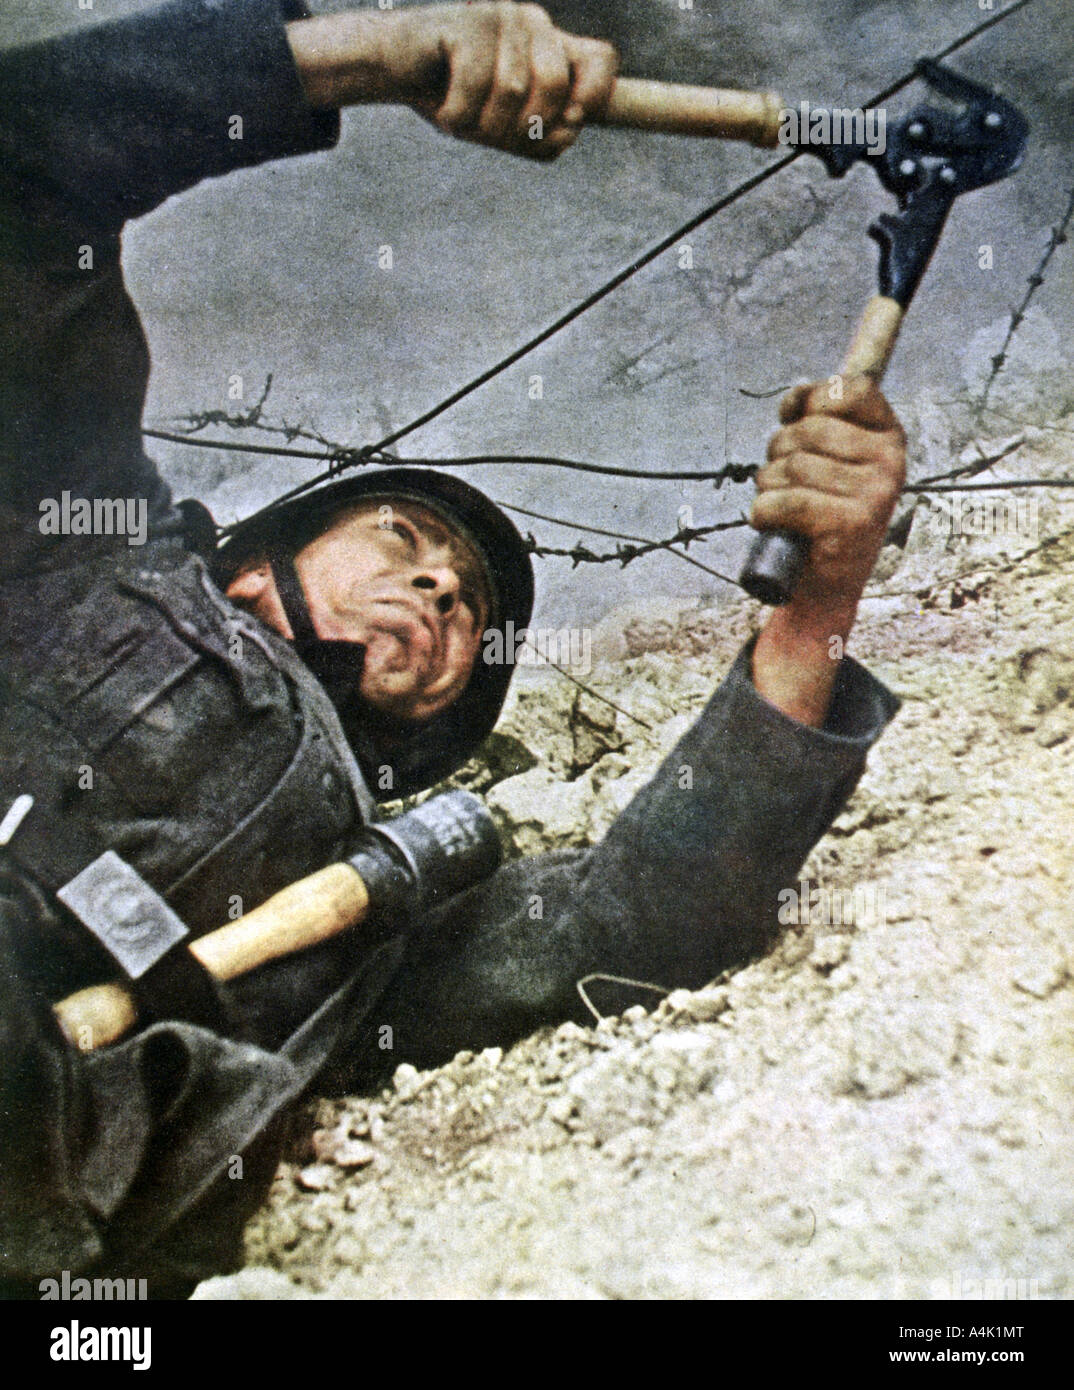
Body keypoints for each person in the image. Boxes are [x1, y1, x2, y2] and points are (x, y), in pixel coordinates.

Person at [0, 0, 905, 1296]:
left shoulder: (384, 914)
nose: (441, 584)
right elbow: (21, 166)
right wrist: (369, 58)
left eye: (471, 608)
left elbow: (644, 913)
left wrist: (818, 598)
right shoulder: (72, 544)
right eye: (405, 536)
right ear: (258, 559)